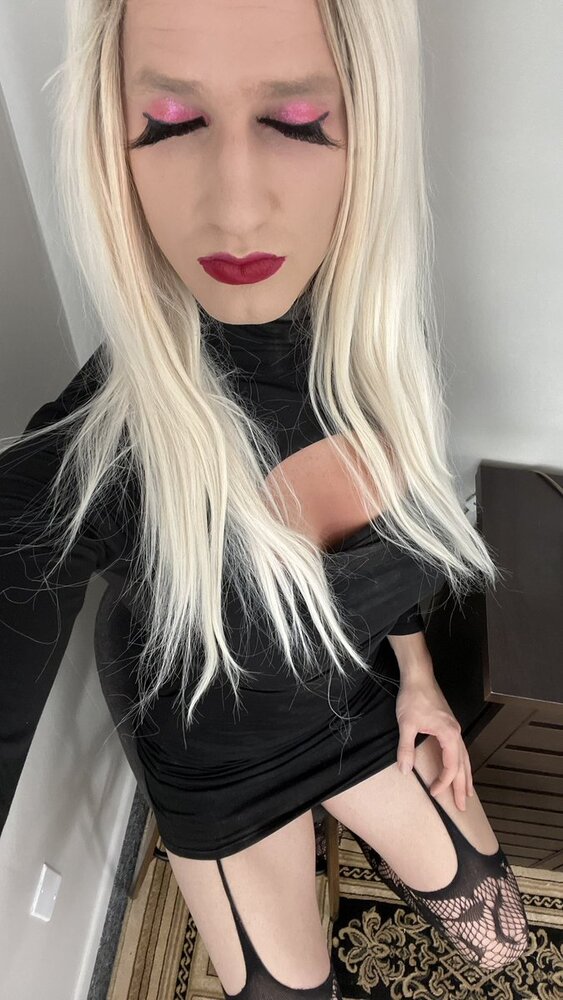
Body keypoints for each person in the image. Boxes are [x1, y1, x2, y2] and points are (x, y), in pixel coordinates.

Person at [0, 1, 529, 996]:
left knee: (499, 936)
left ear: (363, 127)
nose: (237, 210)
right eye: (169, 123)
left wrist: (418, 680)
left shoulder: (372, 348)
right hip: (222, 768)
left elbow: (391, 557)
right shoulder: (101, 451)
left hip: (357, 697)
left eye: (293, 123)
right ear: (112, 145)